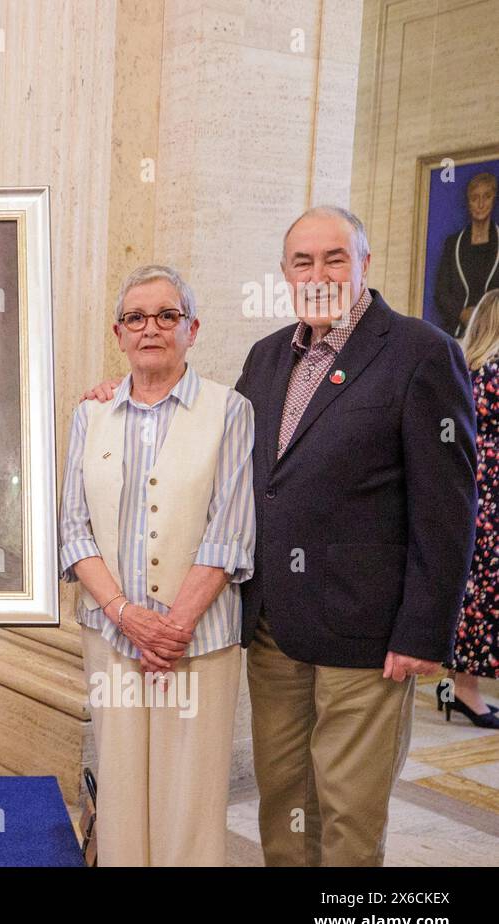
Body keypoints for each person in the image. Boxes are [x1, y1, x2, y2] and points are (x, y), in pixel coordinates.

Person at [83, 207, 477, 866]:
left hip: (367, 634)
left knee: (348, 811)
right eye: (303, 261)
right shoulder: (267, 358)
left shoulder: (420, 353)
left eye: (335, 258)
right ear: (286, 274)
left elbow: (447, 507)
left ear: (365, 265)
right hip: (273, 630)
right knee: (285, 804)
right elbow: (214, 445)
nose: (318, 273)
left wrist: (423, 632)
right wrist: (123, 396)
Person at [60, 264, 255, 866]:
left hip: (200, 639)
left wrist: (171, 628)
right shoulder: (90, 415)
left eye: (167, 315)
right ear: (118, 334)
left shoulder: (230, 410)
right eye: (136, 318)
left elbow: (230, 530)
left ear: (192, 329)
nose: (152, 328)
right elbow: (73, 529)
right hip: (111, 638)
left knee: (189, 798)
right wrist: (127, 617)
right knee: (120, 788)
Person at [440, 286, 499, 729]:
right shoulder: (494, 372)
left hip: (473, 492)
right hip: (490, 499)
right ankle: (464, 690)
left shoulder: (469, 367)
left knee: (471, 592)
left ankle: (460, 688)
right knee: (481, 594)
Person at [434, 172, 499, 337]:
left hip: (494, 335)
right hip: (458, 335)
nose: (480, 203)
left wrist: (486, 317)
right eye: (474, 198)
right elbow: (441, 293)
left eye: (487, 196)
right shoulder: (453, 243)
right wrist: (462, 314)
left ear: (494, 200)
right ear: (468, 203)